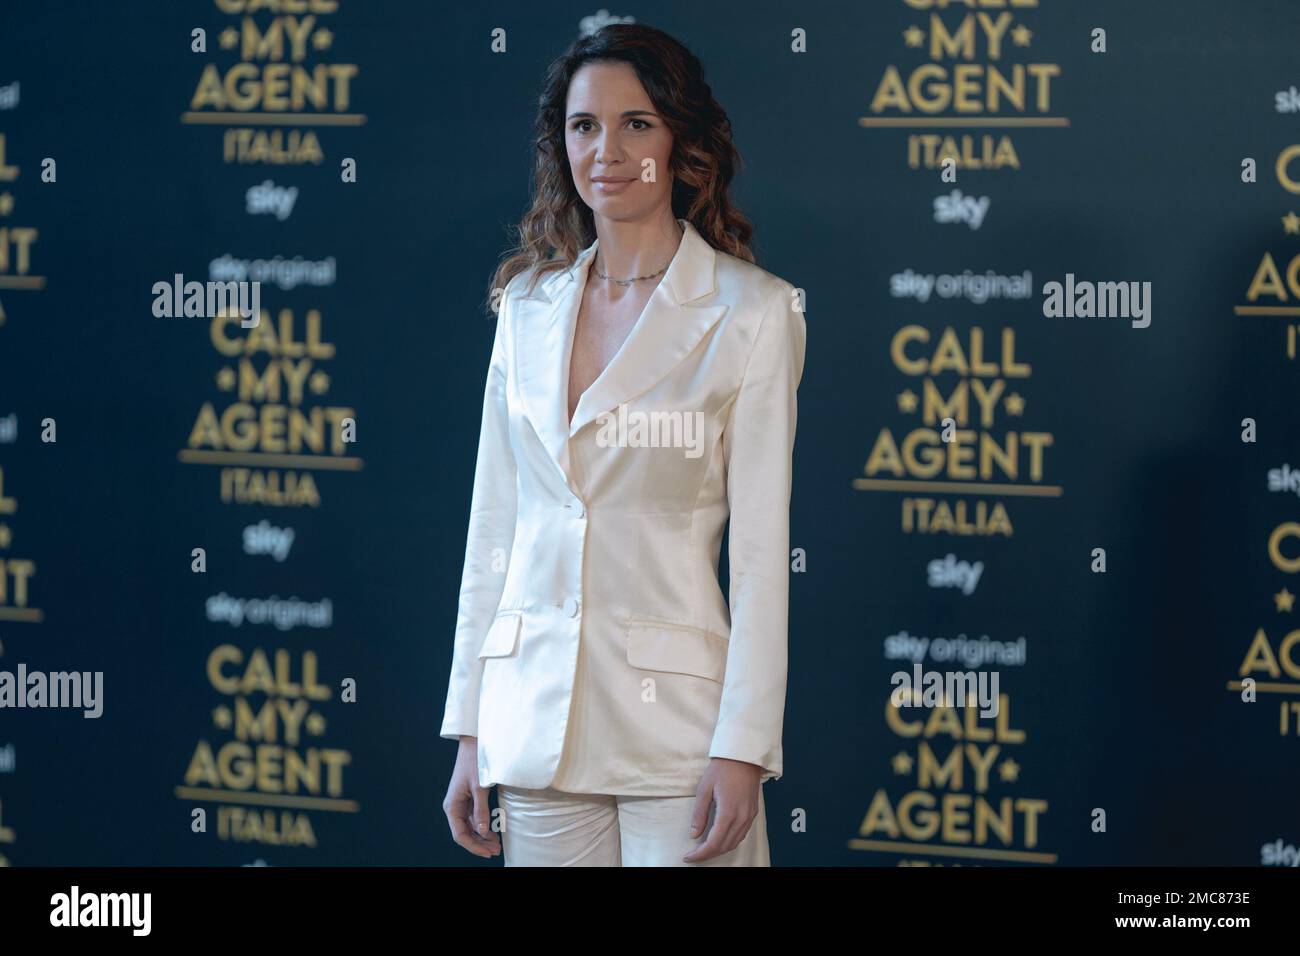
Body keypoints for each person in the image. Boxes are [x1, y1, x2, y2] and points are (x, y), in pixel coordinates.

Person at [440, 22, 806, 866]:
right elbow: (495, 530)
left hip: (681, 735)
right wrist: (472, 726)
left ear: (681, 139)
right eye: (584, 126)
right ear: (561, 144)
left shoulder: (754, 312)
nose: (607, 149)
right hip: (537, 728)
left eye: (636, 123)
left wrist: (744, 744)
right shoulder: (525, 308)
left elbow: (759, 555)